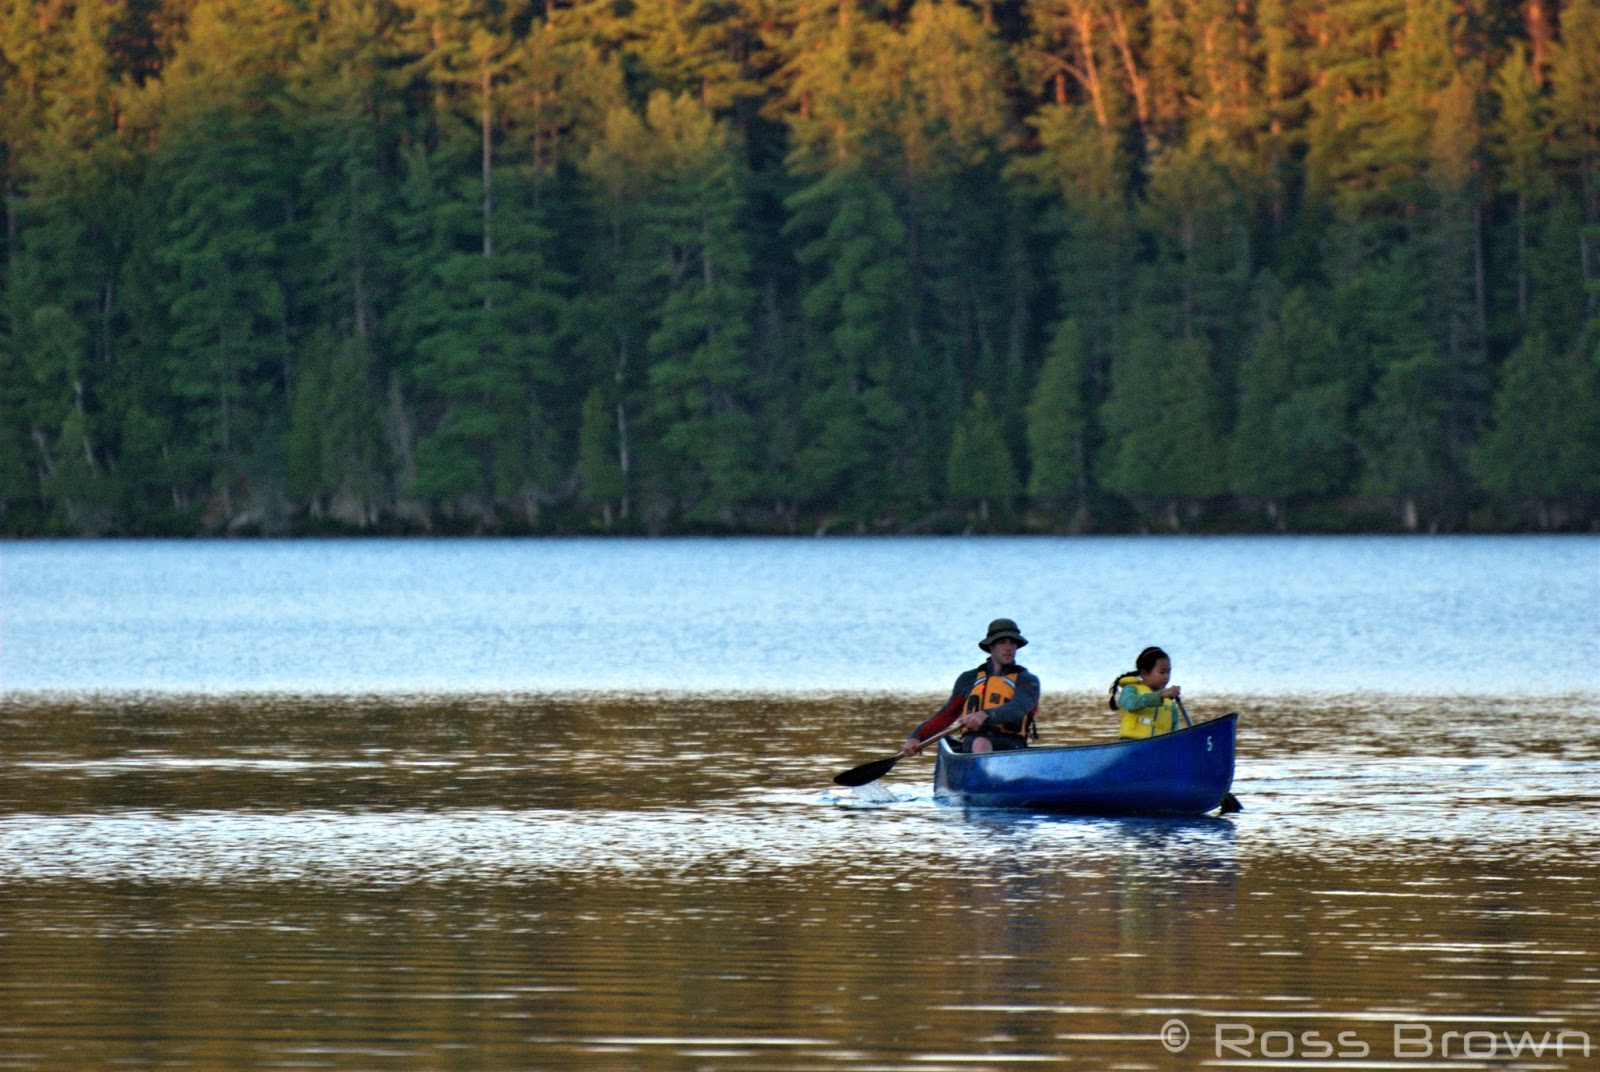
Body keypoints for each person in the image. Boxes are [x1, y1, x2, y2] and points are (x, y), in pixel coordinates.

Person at [899, 618, 1040, 757]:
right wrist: (917, 736)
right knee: (980, 742)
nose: (1008, 647)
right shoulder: (968, 679)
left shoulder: (1027, 680)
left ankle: (986, 775)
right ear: (991, 646)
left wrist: (985, 714)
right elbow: (946, 715)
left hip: (1012, 745)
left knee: (982, 743)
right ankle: (984, 775)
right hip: (973, 743)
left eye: (1012, 642)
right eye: (1002, 642)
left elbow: (1019, 707)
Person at [1110, 645, 1182, 739]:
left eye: (1168, 672)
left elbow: (1175, 731)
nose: (1166, 677)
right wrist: (1159, 695)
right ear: (1144, 673)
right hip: (1132, 745)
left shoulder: (1170, 703)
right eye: (1162, 672)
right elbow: (1131, 704)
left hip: (1159, 749)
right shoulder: (1130, 689)